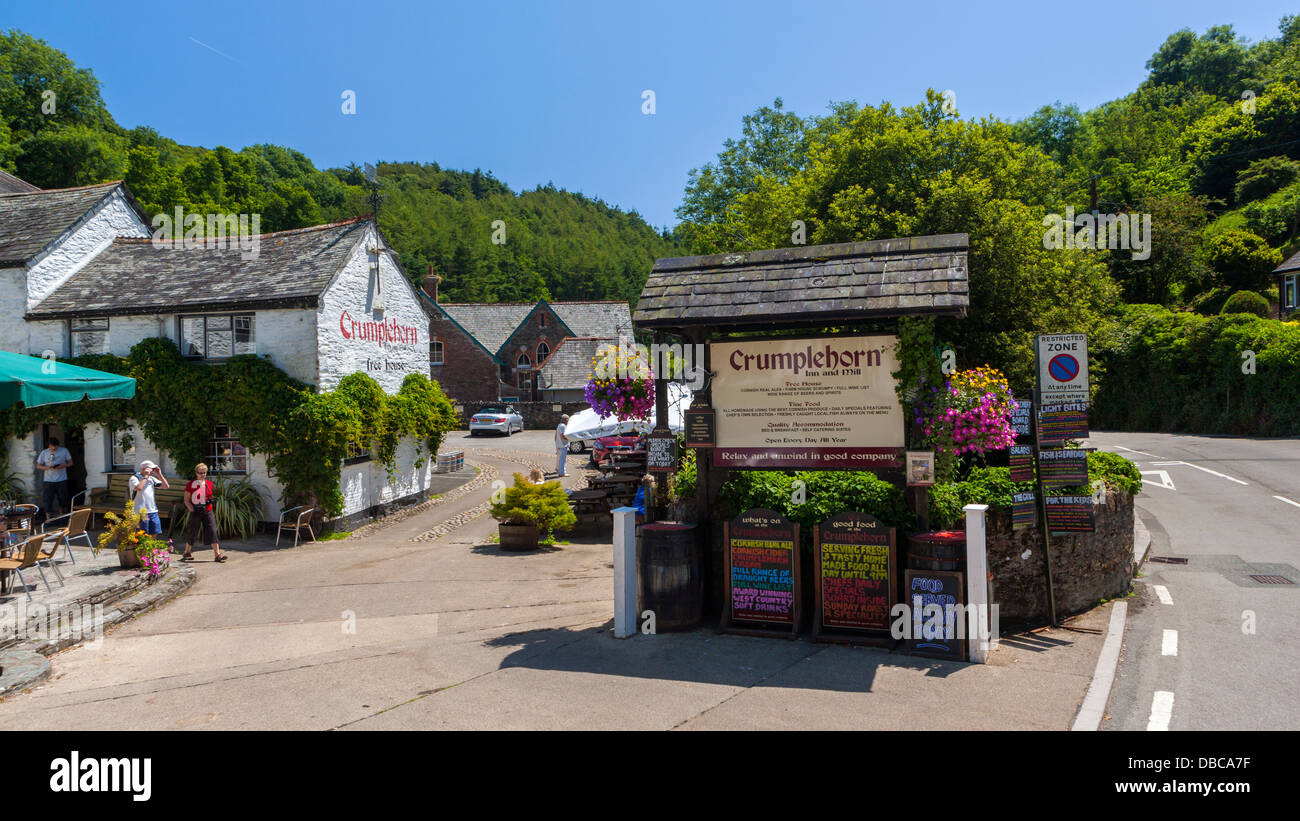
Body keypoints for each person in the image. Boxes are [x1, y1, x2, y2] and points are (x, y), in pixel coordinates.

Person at [181, 463, 226, 563]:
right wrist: (192, 509)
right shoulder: (190, 485)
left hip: (207, 510)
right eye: (200, 473)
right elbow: (186, 500)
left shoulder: (209, 484)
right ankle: (187, 552)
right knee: (193, 531)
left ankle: (217, 555)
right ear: (196, 473)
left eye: (204, 473)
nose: (202, 475)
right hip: (196, 510)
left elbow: (209, 497)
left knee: (212, 530)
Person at [35, 437, 73, 520]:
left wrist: (64, 465)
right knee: (47, 500)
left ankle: (61, 516)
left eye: (55, 446)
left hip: (62, 479)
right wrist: (47, 467)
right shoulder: (44, 453)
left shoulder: (64, 450)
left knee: (62, 498)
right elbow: (38, 465)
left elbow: (70, 462)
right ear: (48, 445)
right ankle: (48, 519)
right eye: (52, 446)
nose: (54, 448)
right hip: (48, 480)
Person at [129, 459, 169, 535]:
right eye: (152, 469)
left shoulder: (152, 479)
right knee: (142, 535)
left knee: (155, 533)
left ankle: (152, 547)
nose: (153, 471)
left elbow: (166, 486)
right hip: (140, 512)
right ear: (144, 469)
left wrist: (159, 474)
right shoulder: (134, 478)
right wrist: (146, 476)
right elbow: (139, 488)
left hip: (152, 511)